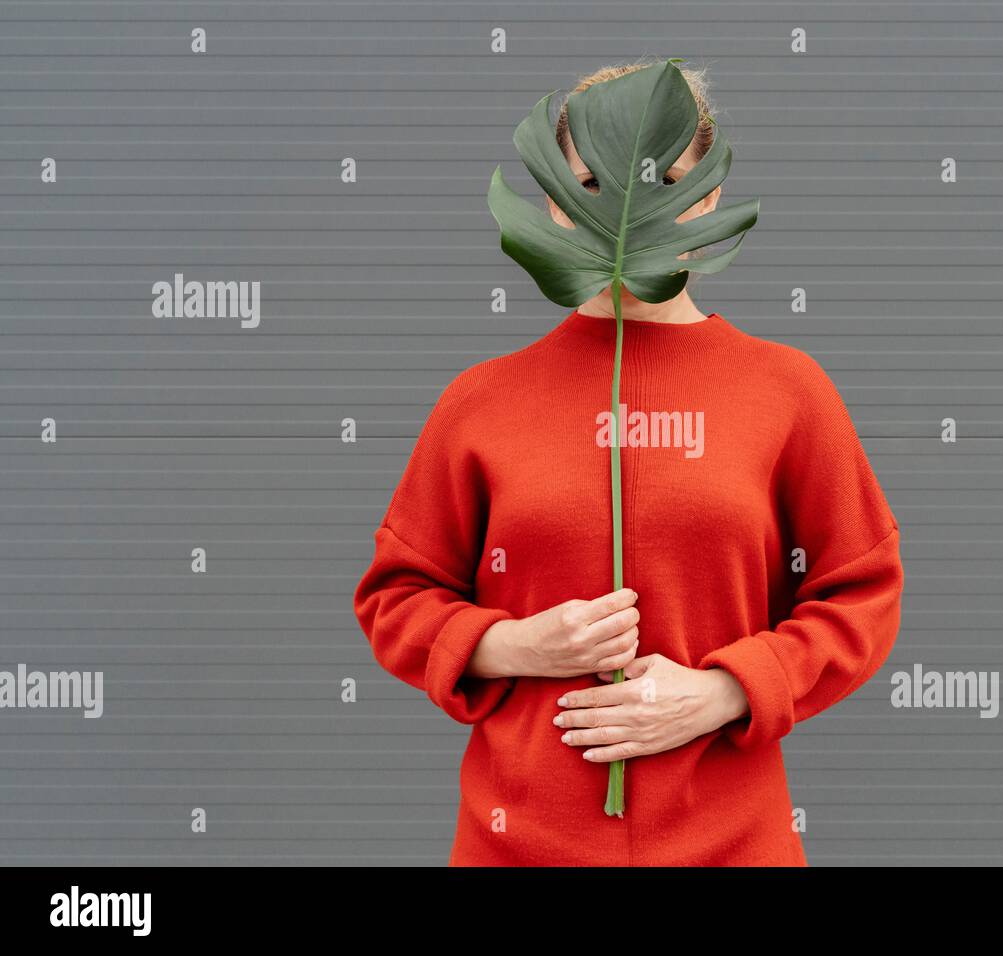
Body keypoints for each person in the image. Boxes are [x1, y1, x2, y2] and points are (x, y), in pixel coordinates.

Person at [354, 61, 903, 866]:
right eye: (590, 182)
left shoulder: (787, 390)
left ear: (708, 196)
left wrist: (723, 691)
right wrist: (514, 645)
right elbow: (395, 598)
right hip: (516, 846)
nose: (626, 203)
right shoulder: (480, 400)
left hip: (734, 845)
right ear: (554, 201)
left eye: (663, 178)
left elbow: (863, 593)